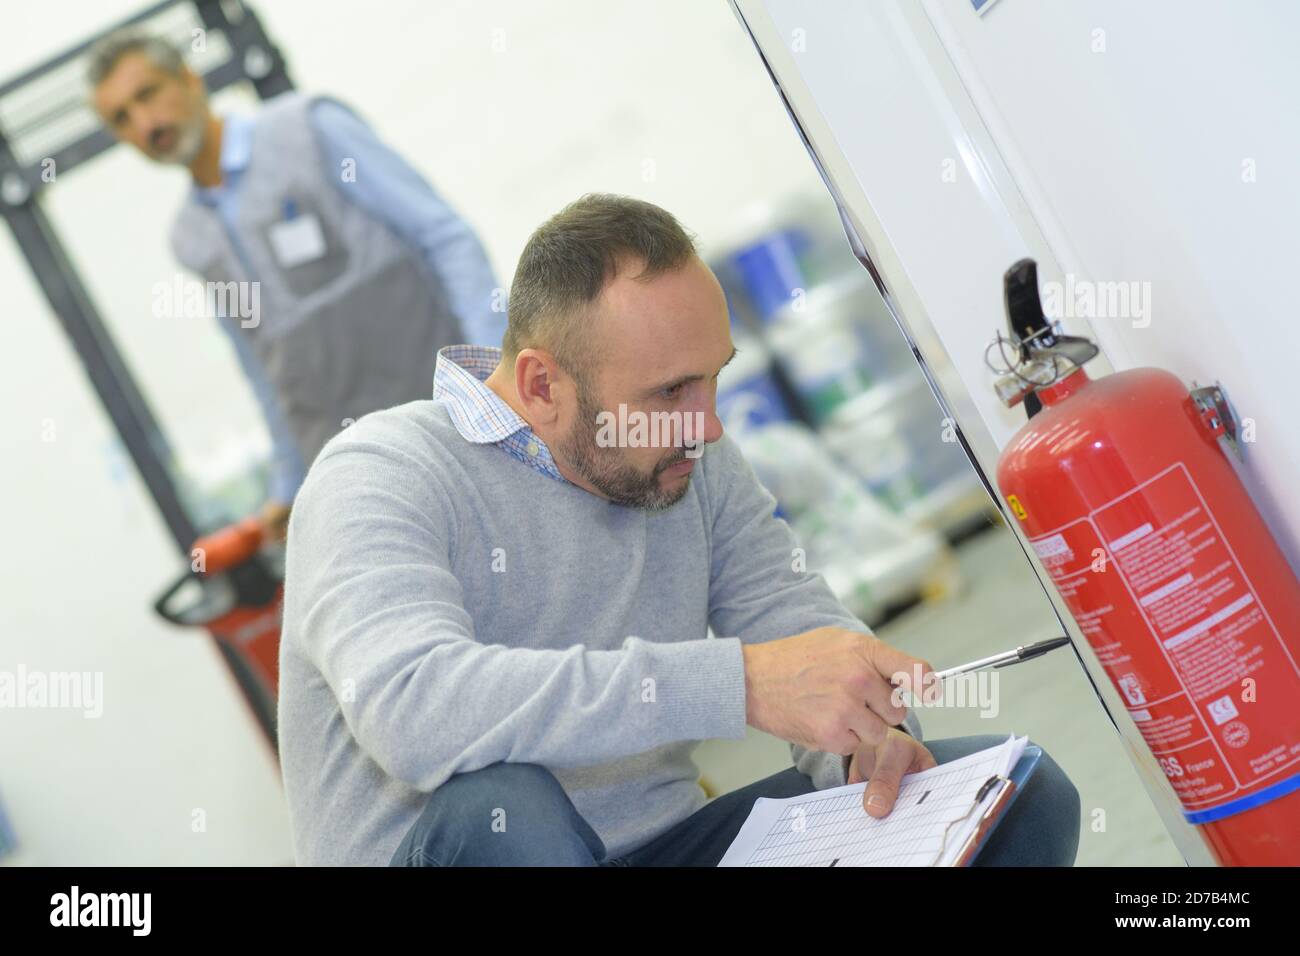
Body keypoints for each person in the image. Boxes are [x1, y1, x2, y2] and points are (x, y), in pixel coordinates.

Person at [277, 194, 1081, 866]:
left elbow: (784, 610)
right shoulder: (379, 474)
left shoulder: (685, 455)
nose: (710, 425)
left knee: (1015, 799)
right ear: (540, 384)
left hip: (662, 849)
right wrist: (739, 683)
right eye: (669, 393)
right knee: (505, 808)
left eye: (714, 378)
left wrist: (862, 741)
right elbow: (413, 711)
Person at [87, 30, 505, 537]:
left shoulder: (308, 128)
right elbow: (260, 364)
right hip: (358, 480)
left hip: (453, 425)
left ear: (189, 80)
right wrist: (289, 484)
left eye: (148, 94)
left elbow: (445, 236)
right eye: (121, 119)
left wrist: (492, 375)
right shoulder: (189, 238)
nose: (146, 124)